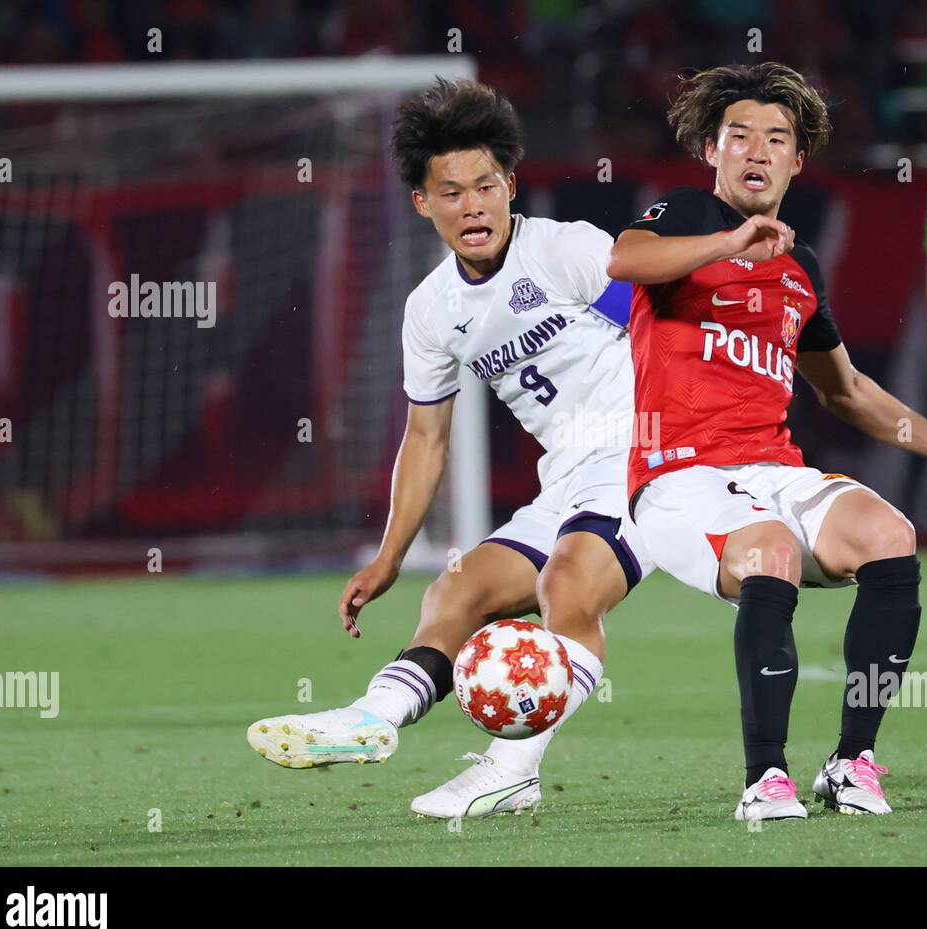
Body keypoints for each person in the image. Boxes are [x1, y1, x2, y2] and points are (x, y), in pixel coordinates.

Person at [608, 62, 927, 819]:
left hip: (771, 469)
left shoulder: (800, 268)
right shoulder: (677, 217)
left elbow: (845, 392)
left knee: (889, 535)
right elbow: (624, 261)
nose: (757, 151)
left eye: (777, 139)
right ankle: (763, 778)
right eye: (739, 136)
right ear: (712, 149)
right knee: (770, 546)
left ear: (797, 161)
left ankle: (850, 762)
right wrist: (728, 242)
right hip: (676, 477)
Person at [247, 78, 651, 818]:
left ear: (510, 187)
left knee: (569, 587)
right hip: (566, 479)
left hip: (646, 460)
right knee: (456, 591)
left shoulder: (565, 251)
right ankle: (371, 718)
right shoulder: (431, 310)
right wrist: (390, 554)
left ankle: (512, 768)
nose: (474, 205)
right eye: (453, 191)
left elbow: (664, 323)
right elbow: (426, 439)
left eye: (487, 186)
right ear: (422, 204)